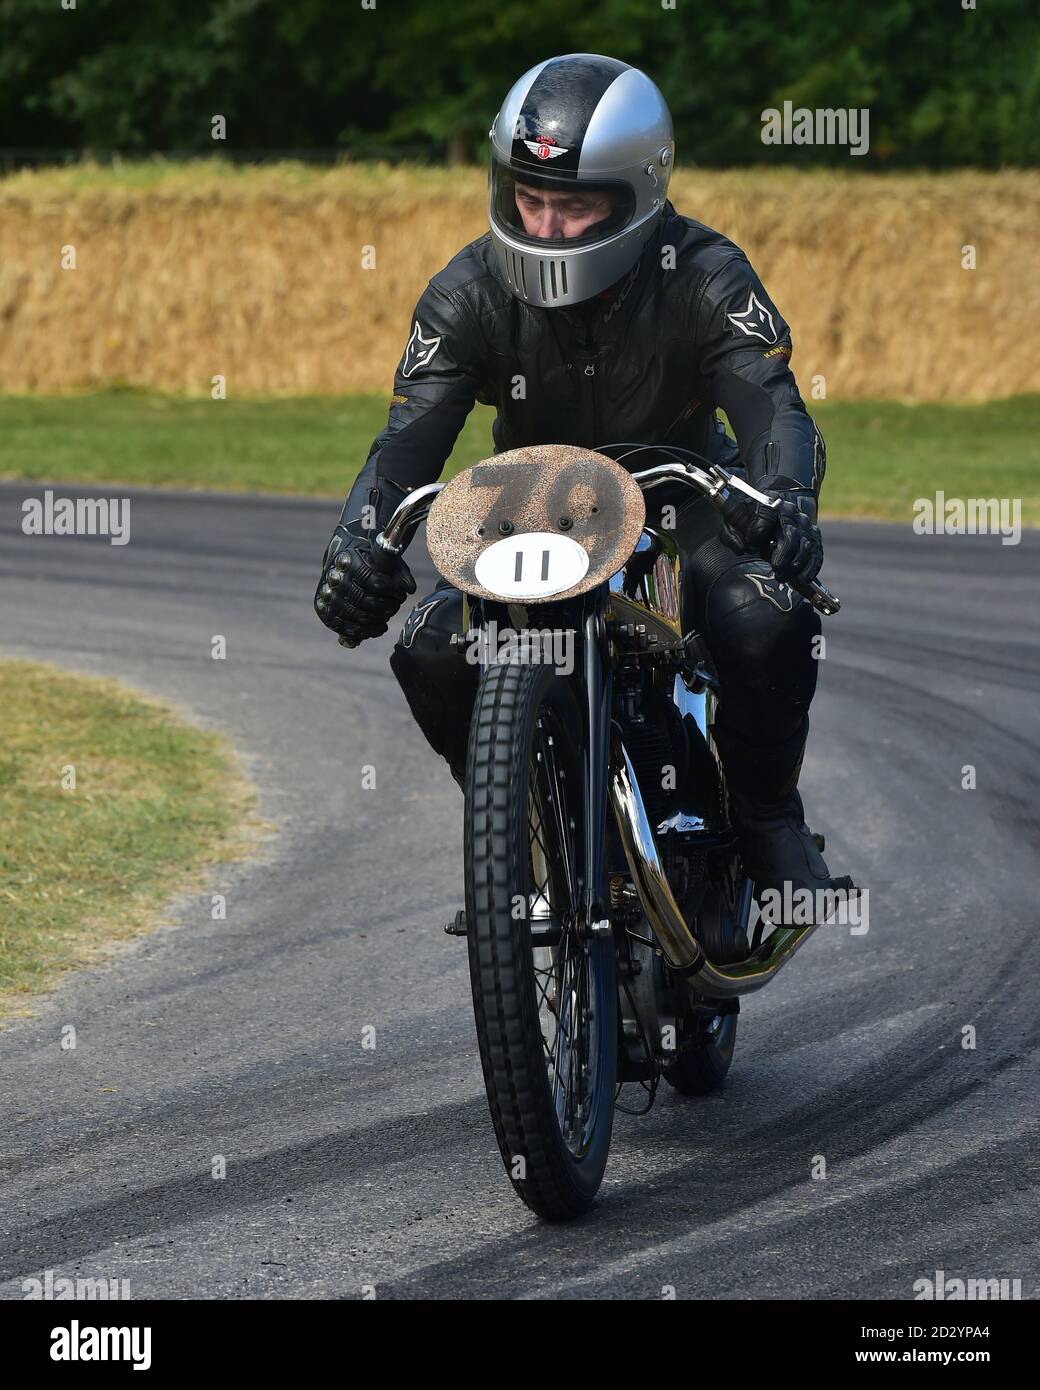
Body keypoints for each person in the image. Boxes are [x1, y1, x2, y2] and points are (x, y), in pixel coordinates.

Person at [314, 52, 837, 896]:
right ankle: (522, 822)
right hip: (533, 500)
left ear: (638, 194)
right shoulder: (466, 290)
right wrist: (357, 542)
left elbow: (772, 403)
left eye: (576, 204)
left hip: (686, 492)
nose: (547, 227)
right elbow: (408, 440)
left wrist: (785, 499)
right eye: (532, 198)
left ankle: (767, 814)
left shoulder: (706, 272)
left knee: (762, 614)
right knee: (434, 649)